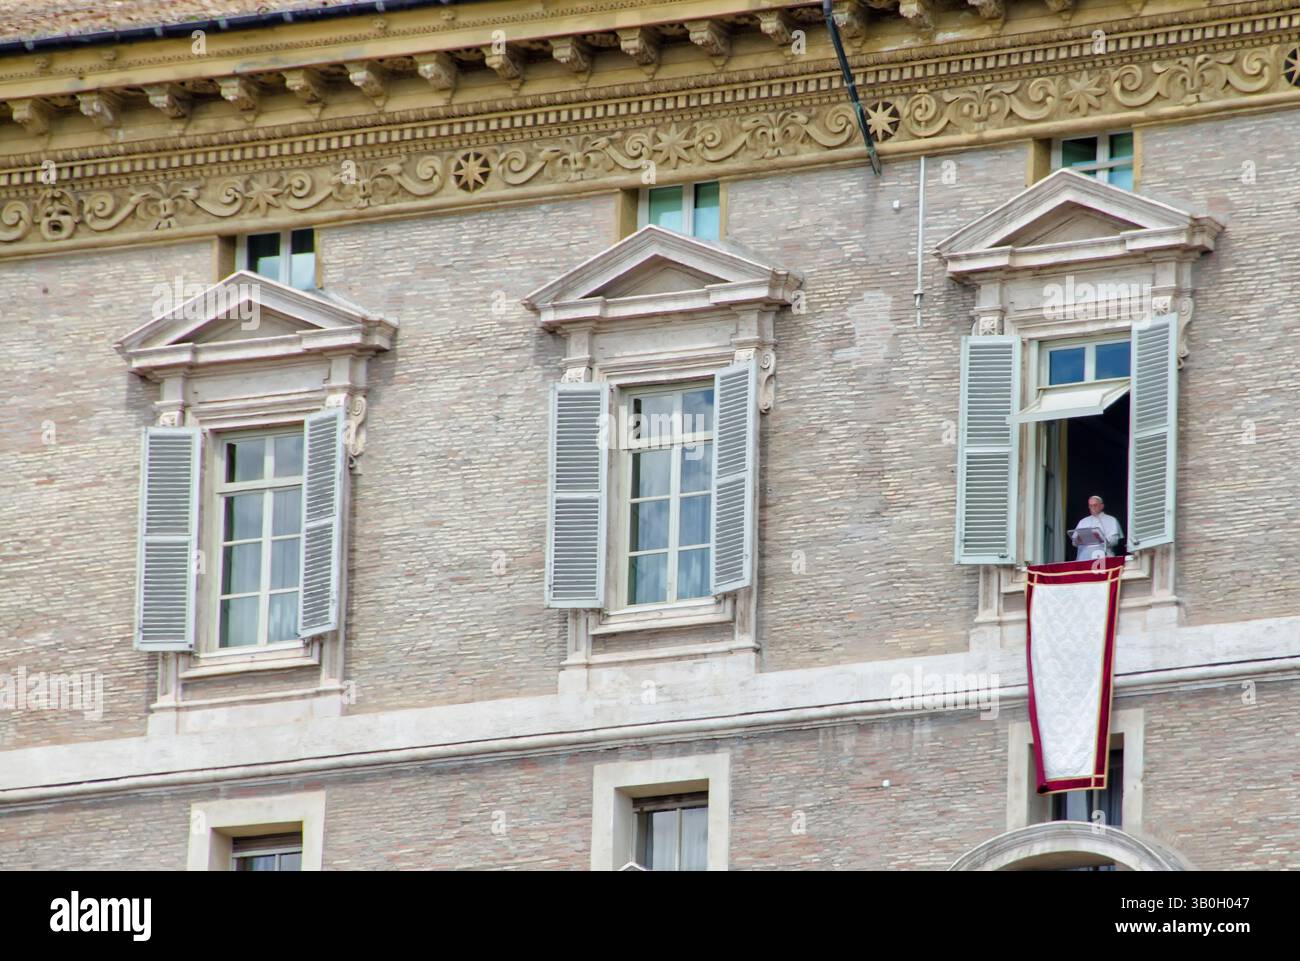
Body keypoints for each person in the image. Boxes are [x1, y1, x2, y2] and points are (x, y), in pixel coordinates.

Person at [1070, 495, 1123, 561]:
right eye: (1090, 506)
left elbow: (1115, 541)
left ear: (1102, 506)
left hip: (1103, 556)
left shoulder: (1111, 520)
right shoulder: (1083, 521)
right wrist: (1078, 540)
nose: (1093, 508)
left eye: (1095, 505)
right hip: (1084, 557)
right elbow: (1074, 543)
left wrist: (1100, 539)